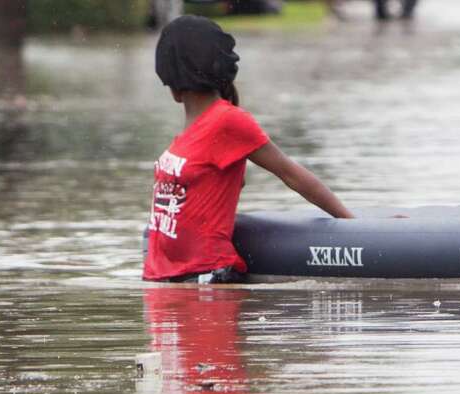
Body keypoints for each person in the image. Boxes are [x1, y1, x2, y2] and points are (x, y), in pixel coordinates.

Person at [143, 15, 353, 284]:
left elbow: (290, 173)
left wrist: (351, 223)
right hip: (164, 281)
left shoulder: (227, 121)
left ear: (172, 78)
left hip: (204, 280)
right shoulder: (190, 131)